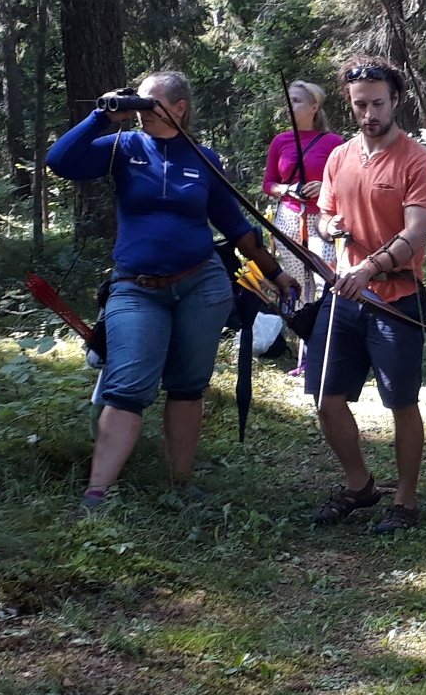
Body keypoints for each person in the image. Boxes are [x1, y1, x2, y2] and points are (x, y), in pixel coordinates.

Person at [46, 72, 297, 514]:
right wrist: (101, 116)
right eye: (138, 101)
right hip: (136, 287)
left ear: (179, 107)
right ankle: (96, 494)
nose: (142, 109)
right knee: (127, 387)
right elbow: (61, 162)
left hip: (200, 286)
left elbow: (236, 227)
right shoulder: (122, 148)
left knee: (188, 387)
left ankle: (181, 483)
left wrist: (275, 274)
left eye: (151, 102)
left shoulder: (204, 157)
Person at [305, 60, 426, 536]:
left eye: (378, 103)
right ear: (349, 102)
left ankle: (404, 500)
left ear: (395, 100)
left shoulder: (416, 160)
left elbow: (416, 233)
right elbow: (324, 215)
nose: (369, 113)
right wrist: (331, 227)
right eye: (360, 104)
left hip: (394, 299)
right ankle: (359, 485)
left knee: (401, 402)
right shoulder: (339, 157)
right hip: (343, 296)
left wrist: (370, 268)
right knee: (326, 396)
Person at [262, 81, 344, 319]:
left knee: (326, 276)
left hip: (322, 218)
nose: (290, 106)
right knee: (297, 280)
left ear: (314, 107)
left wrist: (324, 186)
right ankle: (304, 338)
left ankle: (327, 328)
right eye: (288, 101)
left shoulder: (333, 142)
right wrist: (290, 189)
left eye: (296, 101)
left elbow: (347, 182)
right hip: (289, 217)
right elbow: (269, 184)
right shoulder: (280, 141)